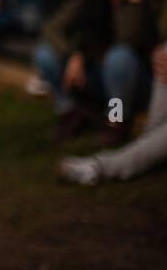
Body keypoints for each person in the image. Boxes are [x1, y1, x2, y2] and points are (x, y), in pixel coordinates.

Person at [33, 0, 161, 146]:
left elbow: (127, 40)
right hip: (97, 77)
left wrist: (133, 2)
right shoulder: (90, 0)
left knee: (119, 58)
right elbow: (52, 28)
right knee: (45, 54)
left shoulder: (145, 0)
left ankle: (117, 120)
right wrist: (73, 55)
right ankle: (70, 112)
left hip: (135, 81)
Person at [59, 40, 167, 183]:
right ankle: (73, 110)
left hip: (121, 62)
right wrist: (77, 54)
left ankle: (115, 122)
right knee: (49, 56)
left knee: (118, 60)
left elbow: (130, 35)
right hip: (97, 57)